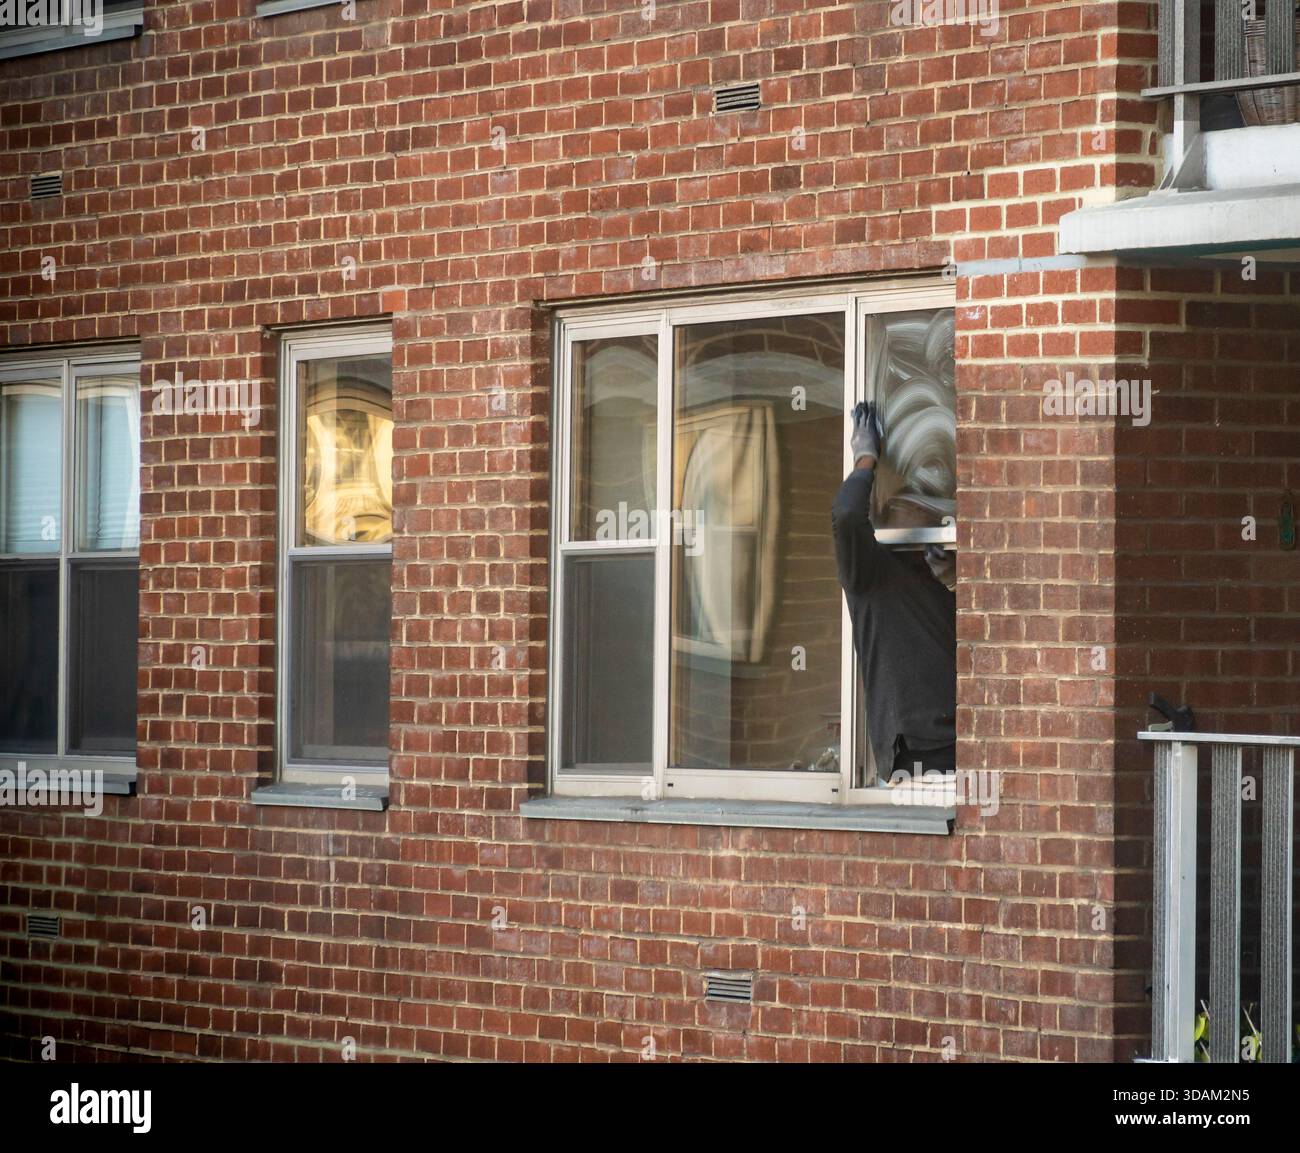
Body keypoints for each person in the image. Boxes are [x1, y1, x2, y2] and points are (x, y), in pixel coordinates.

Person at [832, 401, 957, 783]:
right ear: (886, 515)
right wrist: (866, 458)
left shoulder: (938, 575)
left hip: (968, 741)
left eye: (928, 506)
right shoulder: (870, 573)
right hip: (917, 752)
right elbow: (847, 516)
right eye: (909, 503)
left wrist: (953, 581)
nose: (922, 512)